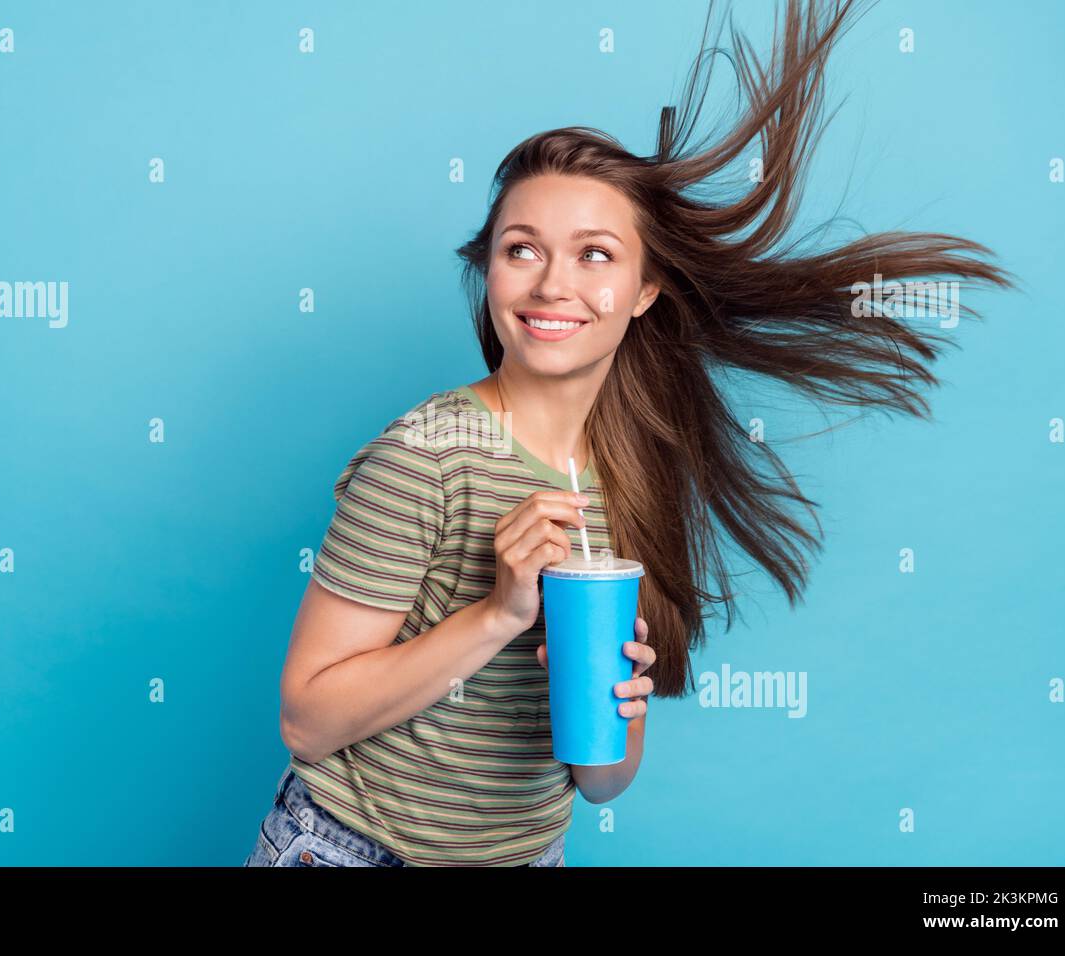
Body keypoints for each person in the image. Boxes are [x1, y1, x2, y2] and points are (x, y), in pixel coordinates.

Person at [244, 0, 1012, 867]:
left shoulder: (634, 473)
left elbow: (601, 783)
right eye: (521, 248)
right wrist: (499, 615)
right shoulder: (427, 458)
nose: (551, 285)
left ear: (646, 290)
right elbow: (306, 719)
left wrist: (618, 703)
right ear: (488, 269)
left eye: (596, 254)